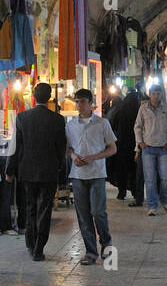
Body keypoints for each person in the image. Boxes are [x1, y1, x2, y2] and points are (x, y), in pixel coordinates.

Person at [9, 82, 66, 261]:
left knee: (30, 207)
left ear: (33, 96)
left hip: (27, 170)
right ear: (49, 98)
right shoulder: (57, 119)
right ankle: (39, 248)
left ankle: (31, 243)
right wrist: (60, 170)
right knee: (45, 209)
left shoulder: (22, 117)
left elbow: (16, 147)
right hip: (49, 171)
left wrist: (10, 170)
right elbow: (61, 149)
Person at [65, 88, 116, 266]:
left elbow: (112, 148)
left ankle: (106, 244)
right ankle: (90, 252)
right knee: (83, 215)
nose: (79, 105)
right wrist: (73, 157)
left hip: (96, 174)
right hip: (78, 175)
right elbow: (69, 148)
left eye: (82, 102)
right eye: (77, 102)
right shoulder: (70, 125)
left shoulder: (102, 124)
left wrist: (94, 156)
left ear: (90, 103)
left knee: (98, 212)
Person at [134, 83, 167, 216]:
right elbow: (138, 126)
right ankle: (152, 206)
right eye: (153, 93)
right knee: (150, 179)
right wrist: (139, 143)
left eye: (158, 93)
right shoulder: (143, 108)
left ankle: (164, 200)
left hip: (163, 148)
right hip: (148, 148)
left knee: (166, 177)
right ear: (149, 94)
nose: (155, 96)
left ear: (161, 94)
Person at [106, 87, 140, 204]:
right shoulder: (138, 110)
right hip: (135, 145)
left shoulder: (119, 110)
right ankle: (136, 193)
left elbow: (112, 125)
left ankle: (122, 192)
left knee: (121, 169)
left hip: (121, 145)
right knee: (134, 170)